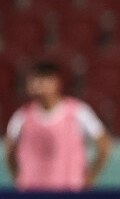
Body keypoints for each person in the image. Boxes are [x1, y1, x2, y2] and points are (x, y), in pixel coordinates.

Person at [4, 60, 111, 191]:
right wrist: (19, 178)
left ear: (56, 82)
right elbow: (9, 152)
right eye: (34, 80)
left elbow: (104, 144)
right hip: (32, 193)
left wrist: (91, 176)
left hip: (69, 191)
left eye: (43, 80)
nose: (38, 85)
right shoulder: (21, 116)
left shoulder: (78, 112)